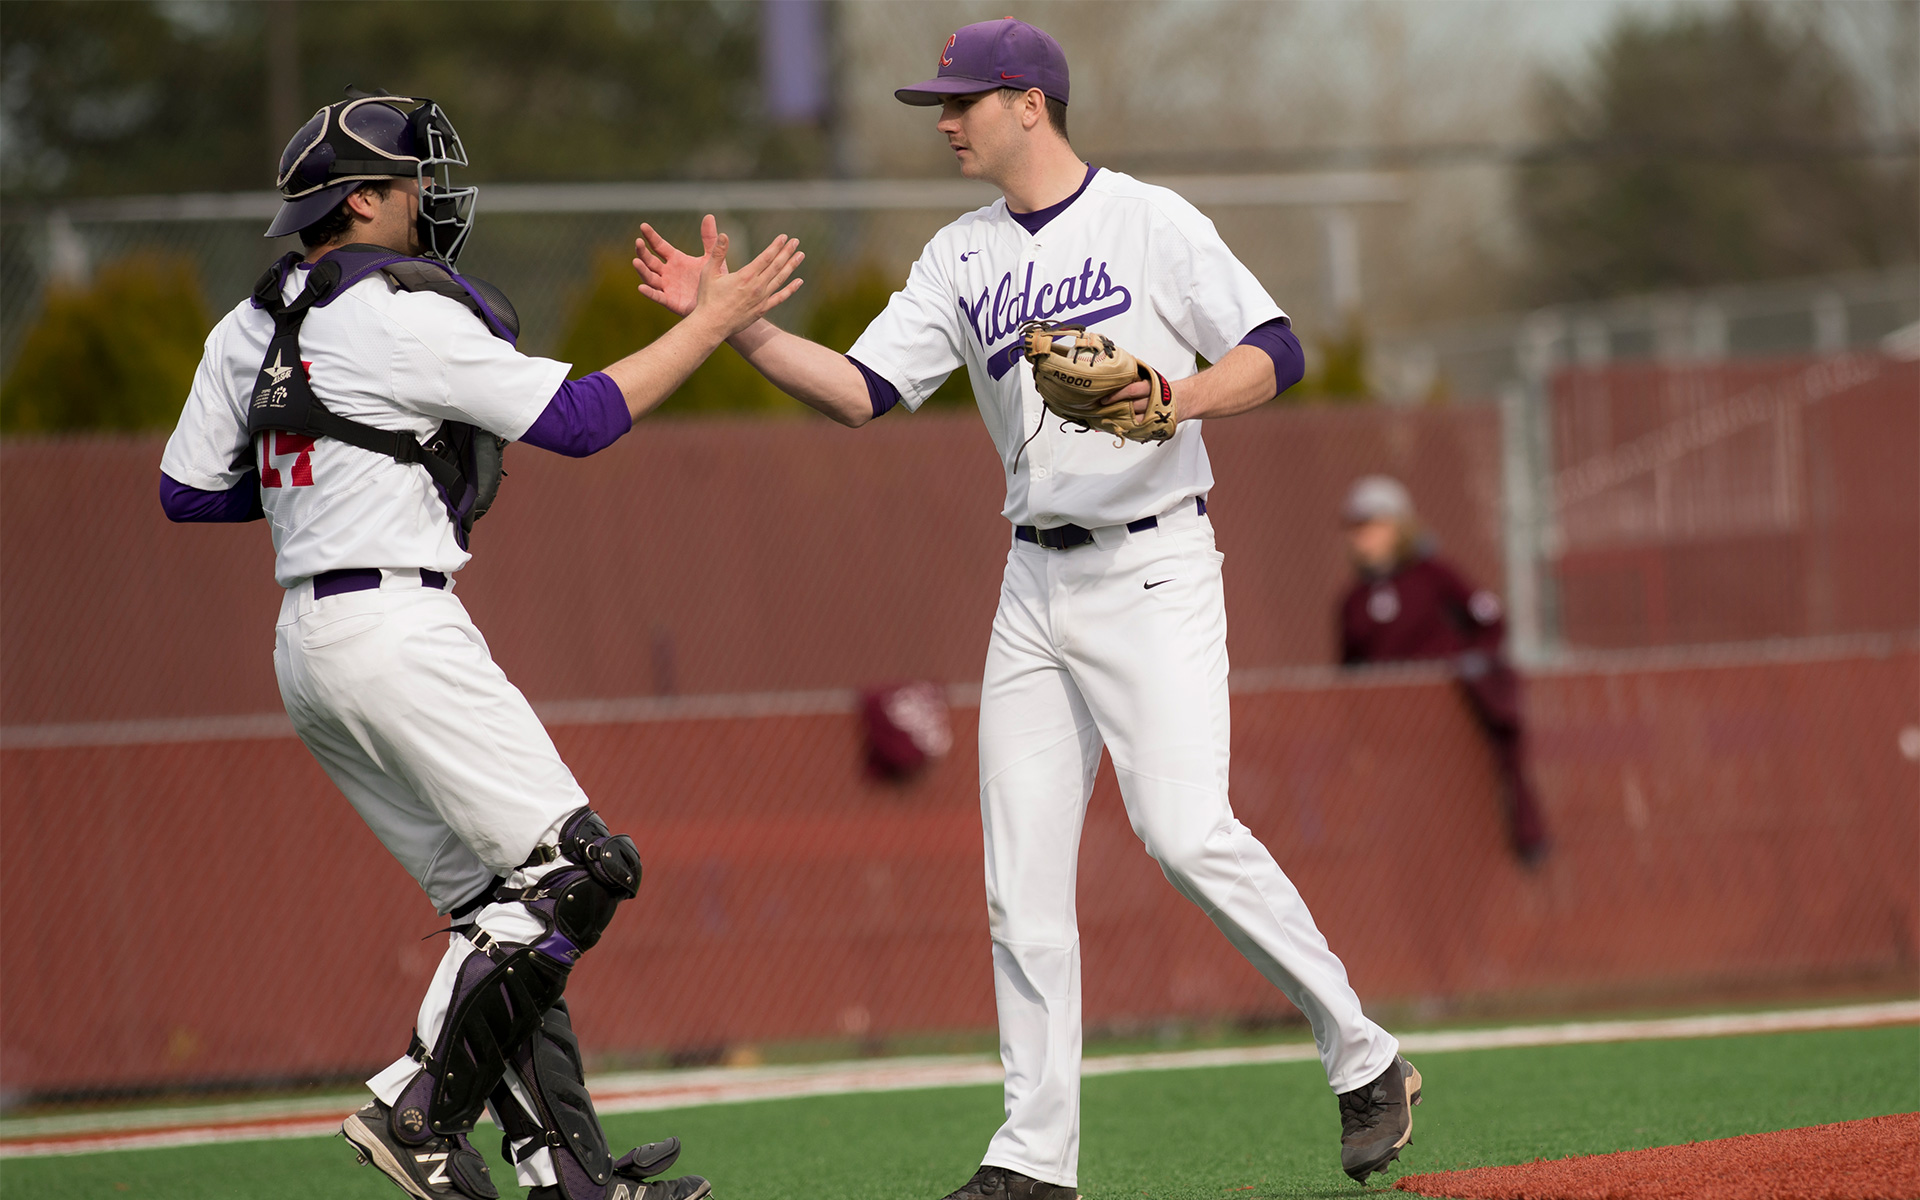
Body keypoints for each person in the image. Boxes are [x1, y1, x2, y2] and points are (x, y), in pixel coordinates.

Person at [633, 20, 1419, 1193]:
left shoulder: (1150, 220)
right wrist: (730, 323)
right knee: (1021, 886)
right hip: (1036, 585)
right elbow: (859, 391)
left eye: (961, 102)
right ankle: (1036, 1160)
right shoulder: (962, 257)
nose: (944, 120)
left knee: (1186, 831)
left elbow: (1279, 349)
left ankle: (1364, 1056)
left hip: (1154, 568)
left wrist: (1178, 398)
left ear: (1030, 104)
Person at [159, 92, 802, 1200]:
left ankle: (571, 1177)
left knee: (500, 915)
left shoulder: (248, 323)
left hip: (308, 647)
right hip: (398, 628)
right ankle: (418, 1108)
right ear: (362, 200)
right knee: (579, 874)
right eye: (413, 184)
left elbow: (187, 492)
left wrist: (335, 479)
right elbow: (584, 422)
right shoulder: (402, 313)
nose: (431, 200)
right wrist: (715, 318)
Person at [1336, 476, 1550, 863]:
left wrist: (1472, 665)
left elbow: (1489, 622)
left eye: (1371, 525)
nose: (1360, 537)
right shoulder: (1352, 601)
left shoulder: (1434, 576)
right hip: (1395, 745)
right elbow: (1348, 676)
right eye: (1354, 528)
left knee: (1462, 836)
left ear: (1398, 526)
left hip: (1450, 732)